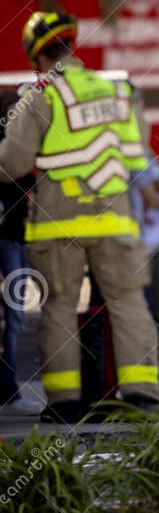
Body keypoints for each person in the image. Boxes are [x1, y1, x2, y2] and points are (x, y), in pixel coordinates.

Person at [0, 11, 159, 423]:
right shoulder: (119, 90)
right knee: (128, 303)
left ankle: (66, 403)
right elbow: (136, 154)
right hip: (116, 221)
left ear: (38, 56)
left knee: (59, 306)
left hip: (60, 224)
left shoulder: (41, 93)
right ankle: (142, 397)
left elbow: (12, 164)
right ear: (72, 45)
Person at [86, 154, 159, 400]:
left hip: (146, 240)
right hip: (124, 243)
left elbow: (150, 184)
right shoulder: (117, 141)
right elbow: (150, 195)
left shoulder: (140, 146)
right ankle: (115, 384)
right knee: (127, 314)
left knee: (156, 310)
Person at [0, 90, 43, 415]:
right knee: (12, 317)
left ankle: (9, 390)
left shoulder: (27, 147)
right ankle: (9, 392)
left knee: (15, 316)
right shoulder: (9, 152)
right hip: (9, 240)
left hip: (24, 238)